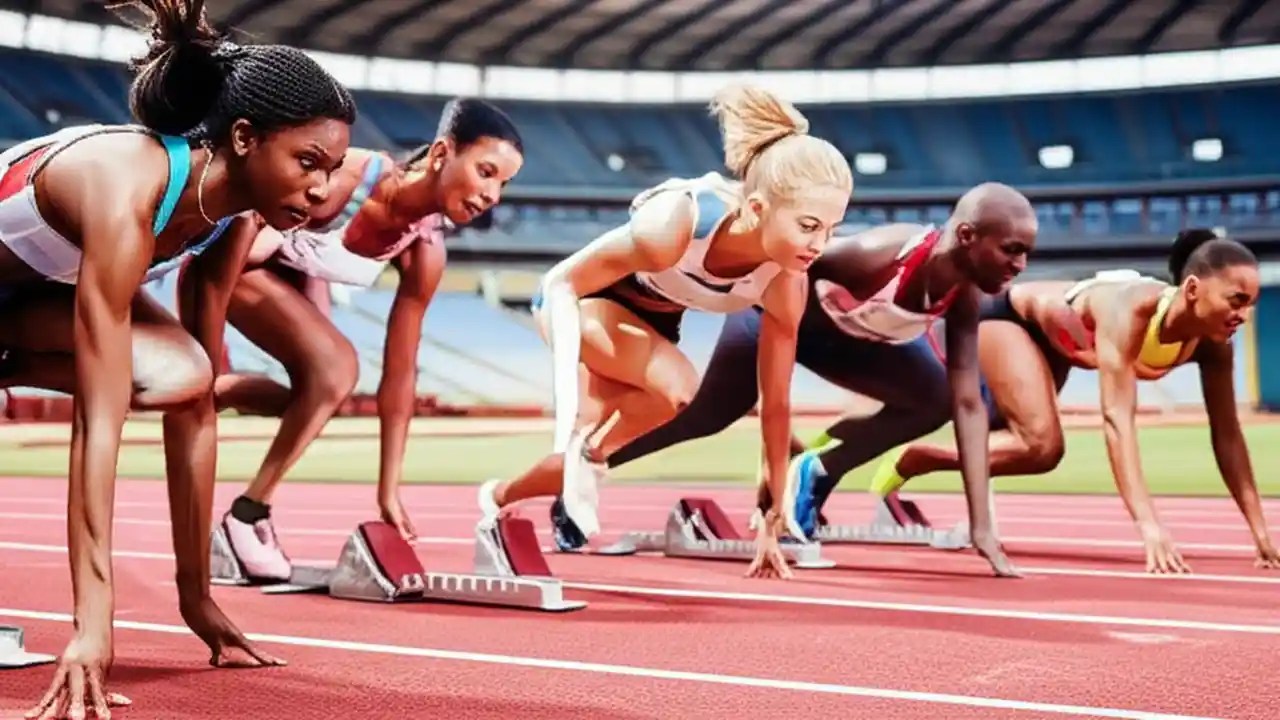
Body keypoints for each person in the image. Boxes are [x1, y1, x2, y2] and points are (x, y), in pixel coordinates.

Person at [0, 0, 357, 716]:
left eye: (335, 168)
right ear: (246, 137)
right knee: (133, 394)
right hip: (28, 299)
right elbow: (98, 427)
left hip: (25, 302)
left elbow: (196, 406)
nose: (322, 191)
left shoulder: (229, 217)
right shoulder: (124, 188)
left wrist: (197, 602)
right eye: (308, 163)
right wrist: (92, 628)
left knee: (190, 375)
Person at [561, 183, 1041, 577]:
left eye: (1026, 253)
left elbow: (968, 406)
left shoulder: (964, 295)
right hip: (774, 318)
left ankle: (816, 470)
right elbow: (779, 260)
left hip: (849, 343)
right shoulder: (876, 255)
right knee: (703, 416)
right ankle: (584, 466)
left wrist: (983, 526)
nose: (1020, 265)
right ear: (966, 235)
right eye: (1011, 250)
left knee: (937, 396)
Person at [477, 85, 853, 579]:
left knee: (592, 453)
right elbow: (560, 283)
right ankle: (575, 455)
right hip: (580, 307)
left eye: (832, 228)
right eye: (809, 226)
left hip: (650, 328)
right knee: (668, 394)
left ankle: (498, 496)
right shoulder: (678, 224)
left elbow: (776, 406)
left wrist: (769, 516)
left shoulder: (786, 283)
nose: (819, 245)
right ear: (757, 209)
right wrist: (565, 406)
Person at [184, 98, 524, 582]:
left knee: (319, 391)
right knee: (336, 370)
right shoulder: (347, 177)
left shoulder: (425, 251)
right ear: (443, 152)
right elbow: (236, 227)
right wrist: (203, 356)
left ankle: (197, 400)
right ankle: (246, 516)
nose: (493, 194)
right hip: (222, 264)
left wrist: (388, 489)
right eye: (487, 171)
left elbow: (400, 374)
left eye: (504, 184)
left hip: (284, 282)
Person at [874, 229, 1279, 573]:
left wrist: (1261, 532)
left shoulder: (1214, 345)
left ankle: (966, 505)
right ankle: (910, 460)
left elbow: (1227, 435)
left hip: (1058, 347)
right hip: (1009, 319)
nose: (1243, 316)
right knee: (1042, 446)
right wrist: (1149, 526)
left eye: (1251, 304)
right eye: (1236, 300)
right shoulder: (1133, 310)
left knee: (1034, 453)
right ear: (1192, 289)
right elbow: (1117, 420)